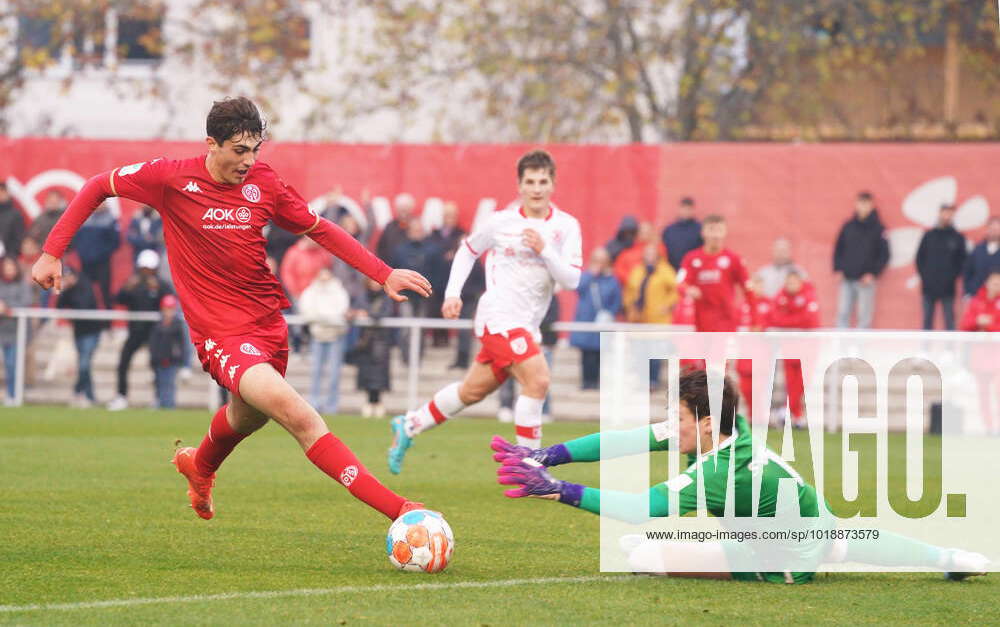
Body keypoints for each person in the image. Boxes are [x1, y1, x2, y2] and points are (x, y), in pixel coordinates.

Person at [32, 97, 432, 523]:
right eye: (239, 150)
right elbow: (98, 185)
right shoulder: (170, 178)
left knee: (248, 417)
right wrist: (51, 253)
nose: (249, 160)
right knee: (300, 415)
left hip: (269, 326)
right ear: (211, 144)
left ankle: (199, 465)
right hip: (220, 335)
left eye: (255, 149)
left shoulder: (265, 182)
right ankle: (402, 512)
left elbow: (319, 228)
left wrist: (382, 272)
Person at [491, 368, 990, 582]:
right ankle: (950, 557)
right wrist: (550, 454)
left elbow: (642, 510)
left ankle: (809, 559)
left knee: (643, 555)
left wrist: (558, 491)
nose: (671, 427)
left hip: (783, 550)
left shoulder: (717, 467)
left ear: (705, 423)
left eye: (679, 419)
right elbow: (626, 439)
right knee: (838, 537)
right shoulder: (723, 424)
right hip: (811, 520)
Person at [387, 150, 582, 474]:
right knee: (538, 380)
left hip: (527, 325)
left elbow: (571, 279)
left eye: (543, 181)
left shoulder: (566, 226)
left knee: (471, 392)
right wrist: (453, 294)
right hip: (498, 318)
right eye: (530, 181)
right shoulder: (501, 222)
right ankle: (530, 469)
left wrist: (545, 250)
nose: (536, 188)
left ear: (553, 184)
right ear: (519, 185)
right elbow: (467, 251)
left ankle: (409, 424)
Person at [676, 214, 755, 412]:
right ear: (703, 232)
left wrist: (755, 320)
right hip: (700, 327)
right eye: (711, 230)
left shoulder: (733, 259)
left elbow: (749, 290)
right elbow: (680, 282)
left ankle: (721, 413)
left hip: (724, 327)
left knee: (718, 371)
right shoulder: (692, 258)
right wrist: (688, 289)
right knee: (699, 372)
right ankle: (703, 412)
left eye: (719, 230)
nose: (715, 235)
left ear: (725, 232)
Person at [107, 249, 174, 411]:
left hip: (154, 333)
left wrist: (158, 290)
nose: (146, 273)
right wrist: (127, 288)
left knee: (156, 364)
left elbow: (170, 301)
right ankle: (121, 396)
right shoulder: (133, 283)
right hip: (135, 331)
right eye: (143, 269)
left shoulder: (161, 284)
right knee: (123, 362)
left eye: (149, 269)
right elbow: (117, 300)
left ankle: (159, 398)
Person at [767, 271, 820, 428]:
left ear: (800, 282)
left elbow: (809, 320)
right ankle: (795, 415)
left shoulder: (809, 295)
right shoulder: (780, 296)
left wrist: (788, 321)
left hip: (808, 346)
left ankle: (792, 412)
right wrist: (794, 321)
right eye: (788, 282)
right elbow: (774, 318)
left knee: (803, 380)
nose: (791, 286)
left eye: (794, 282)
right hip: (789, 346)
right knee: (791, 381)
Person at [833, 191, 890, 329]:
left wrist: (873, 274)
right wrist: (838, 269)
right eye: (860, 203)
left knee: (864, 317)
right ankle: (841, 347)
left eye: (866, 203)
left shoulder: (878, 228)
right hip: (847, 278)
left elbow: (884, 255)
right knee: (843, 312)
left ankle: (861, 348)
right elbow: (838, 248)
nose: (863, 206)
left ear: (872, 205)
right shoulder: (848, 226)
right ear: (856, 204)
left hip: (865, 280)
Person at [299, 265, 350, 414]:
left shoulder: (339, 291)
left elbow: (341, 310)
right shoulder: (310, 292)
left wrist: (323, 318)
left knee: (334, 372)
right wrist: (328, 318)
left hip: (335, 335)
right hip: (317, 335)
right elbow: (307, 311)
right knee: (316, 371)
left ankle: (331, 405)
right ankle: (314, 403)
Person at [569, 247, 621, 390]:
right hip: (586, 321)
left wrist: (609, 314)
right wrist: (591, 274)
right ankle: (587, 382)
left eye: (603, 261)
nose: (600, 264)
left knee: (601, 354)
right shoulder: (586, 277)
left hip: (602, 323)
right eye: (597, 260)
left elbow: (616, 300)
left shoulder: (612, 280)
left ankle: (598, 382)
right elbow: (578, 288)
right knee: (587, 355)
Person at [55, 267, 106, 408]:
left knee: (84, 364)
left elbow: (84, 305)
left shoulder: (85, 285)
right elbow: (59, 306)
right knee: (85, 365)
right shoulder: (68, 291)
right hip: (79, 332)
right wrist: (63, 290)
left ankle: (77, 391)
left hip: (92, 331)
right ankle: (90, 396)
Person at [959, 270, 1000, 434]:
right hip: (980, 356)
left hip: (997, 355)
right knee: (983, 394)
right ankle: (989, 427)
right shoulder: (976, 302)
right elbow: (964, 325)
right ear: (987, 283)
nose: (997, 286)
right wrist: (977, 321)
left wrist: (988, 326)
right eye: (995, 282)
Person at [915, 204, 966, 330]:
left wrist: (952, 277)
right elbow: (919, 258)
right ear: (939, 214)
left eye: (950, 213)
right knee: (927, 320)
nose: (947, 216)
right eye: (945, 213)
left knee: (949, 320)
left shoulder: (958, 238)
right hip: (929, 286)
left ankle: (950, 349)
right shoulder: (929, 235)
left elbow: (963, 261)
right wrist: (925, 276)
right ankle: (925, 349)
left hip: (948, 286)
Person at [427, 201, 465, 347]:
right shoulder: (434, 234)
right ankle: (436, 340)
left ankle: (447, 340)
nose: (450, 218)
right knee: (435, 310)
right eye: (447, 215)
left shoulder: (461, 234)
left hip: (453, 280)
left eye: (453, 215)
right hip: (435, 281)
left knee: (450, 310)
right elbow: (430, 253)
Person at [355, 277, 395, 418]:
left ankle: (377, 403)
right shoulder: (362, 296)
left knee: (379, 375)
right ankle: (369, 403)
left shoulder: (387, 297)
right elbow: (356, 311)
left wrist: (368, 314)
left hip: (381, 341)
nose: (375, 284)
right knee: (366, 374)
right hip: (366, 342)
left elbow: (384, 314)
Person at [71, 201, 121, 308]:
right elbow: (76, 238)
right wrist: (82, 253)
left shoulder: (110, 219)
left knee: (105, 292)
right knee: (86, 292)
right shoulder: (84, 218)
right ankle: (89, 322)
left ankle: (108, 322)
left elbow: (115, 242)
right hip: (85, 262)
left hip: (103, 262)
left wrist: (102, 254)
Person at [0, 256, 34, 404]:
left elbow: (26, 302)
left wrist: (6, 308)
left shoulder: (22, 284)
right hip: (3, 331)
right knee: (8, 365)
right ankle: (10, 393)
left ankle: (14, 395)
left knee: (13, 364)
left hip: (18, 333)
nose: (8, 269)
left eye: (11, 266)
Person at [149, 294, 187, 409]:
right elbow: (153, 344)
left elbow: (182, 345)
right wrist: (153, 359)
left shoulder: (177, 326)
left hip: (172, 360)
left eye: (171, 309)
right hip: (159, 360)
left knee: (169, 384)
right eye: (166, 309)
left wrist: (183, 362)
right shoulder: (157, 325)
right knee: (160, 383)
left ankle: (169, 406)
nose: (168, 312)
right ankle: (161, 404)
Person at [612, 221, 665, 287]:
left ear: (652, 233)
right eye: (642, 232)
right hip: (632, 288)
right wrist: (632, 279)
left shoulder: (658, 249)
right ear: (637, 234)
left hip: (654, 287)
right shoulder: (627, 252)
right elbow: (618, 270)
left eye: (647, 232)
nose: (644, 234)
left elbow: (663, 267)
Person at [661, 196, 703, 271]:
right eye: (683, 208)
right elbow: (663, 249)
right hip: (672, 271)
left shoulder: (699, 229)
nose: (686, 211)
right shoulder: (669, 230)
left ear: (693, 210)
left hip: (693, 269)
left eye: (689, 209)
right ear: (679, 209)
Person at [963, 216, 1000, 298]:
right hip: (976, 295)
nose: (994, 232)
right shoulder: (977, 249)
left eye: (997, 229)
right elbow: (968, 270)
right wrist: (968, 290)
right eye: (992, 229)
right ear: (987, 230)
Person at [376, 193, 415, 262]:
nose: (404, 210)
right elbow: (381, 249)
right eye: (401, 207)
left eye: (406, 207)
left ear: (411, 209)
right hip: (392, 268)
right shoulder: (390, 227)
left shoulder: (416, 226)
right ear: (396, 209)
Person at [0, 183, 26, 261]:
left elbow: (19, 239)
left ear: (8, 193)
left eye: (2, 191)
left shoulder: (15, 215)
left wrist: (9, 256)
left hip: (9, 260)